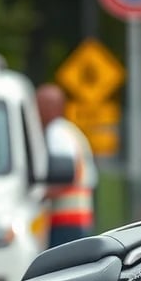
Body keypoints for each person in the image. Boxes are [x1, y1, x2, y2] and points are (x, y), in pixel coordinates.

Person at [37, 83, 99, 246]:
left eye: (39, 105)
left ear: (52, 107)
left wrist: (37, 196)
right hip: (78, 217)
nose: (35, 110)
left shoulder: (56, 133)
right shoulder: (69, 131)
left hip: (65, 219)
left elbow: (66, 173)